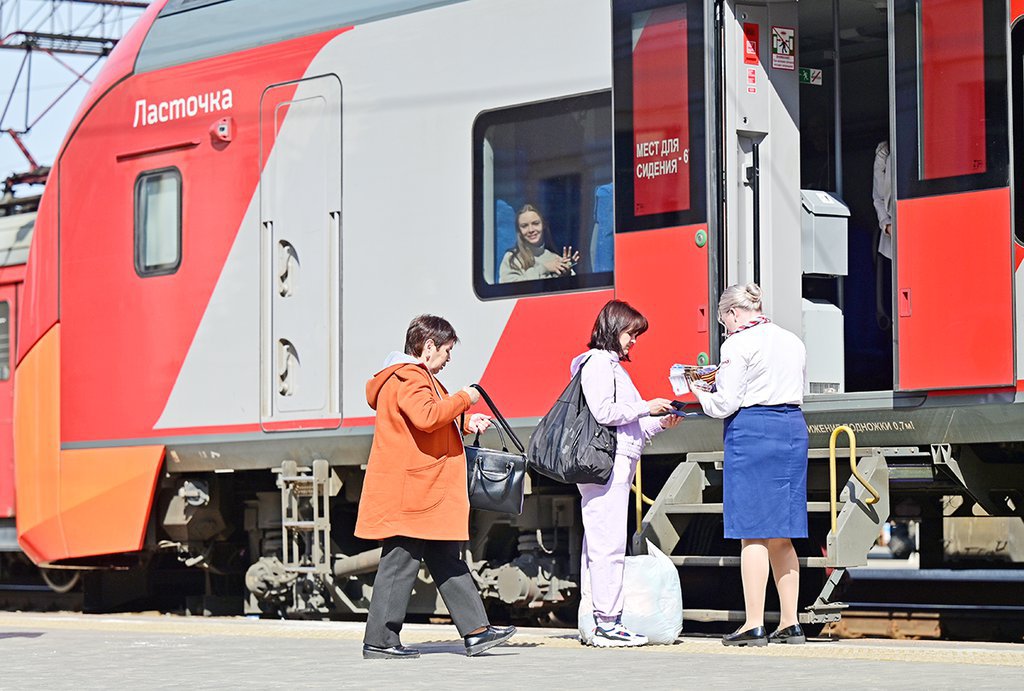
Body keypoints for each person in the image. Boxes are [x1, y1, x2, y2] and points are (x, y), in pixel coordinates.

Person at [356, 314, 516, 659]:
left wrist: (466, 421)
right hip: (414, 491)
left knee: (445, 556)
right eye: (446, 352)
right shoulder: (410, 376)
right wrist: (465, 398)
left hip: (420, 488)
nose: (447, 360)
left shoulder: (408, 378)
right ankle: (380, 641)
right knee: (400, 561)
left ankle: (476, 632)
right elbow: (426, 417)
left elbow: (427, 417)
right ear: (428, 347)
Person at [691, 284, 809, 647]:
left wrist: (695, 386)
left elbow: (725, 403)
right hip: (791, 428)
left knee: (753, 532)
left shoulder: (736, 344)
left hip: (752, 432)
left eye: (723, 320)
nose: (724, 327)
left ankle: (754, 623)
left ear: (732, 313)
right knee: (782, 533)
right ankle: (790, 623)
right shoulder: (792, 340)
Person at [572, 299, 679, 647]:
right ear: (613, 329)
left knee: (601, 542)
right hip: (608, 466)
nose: (634, 341)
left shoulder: (611, 365)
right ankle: (607, 622)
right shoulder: (599, 364)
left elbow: (630, 426)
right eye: (630, 333)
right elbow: (604, 412)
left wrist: (660, 422)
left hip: (616, 462)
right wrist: (645, 406)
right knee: (608, 544)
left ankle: (598, 618)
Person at [498, 203, 580, 282]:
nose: (531, 230)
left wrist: (566, 273)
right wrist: (544, 268)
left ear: (544, 224)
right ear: (519, 230)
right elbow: (510, 289)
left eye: (535, 223)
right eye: (524, 226)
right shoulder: (512, 258)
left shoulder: (554, 258)